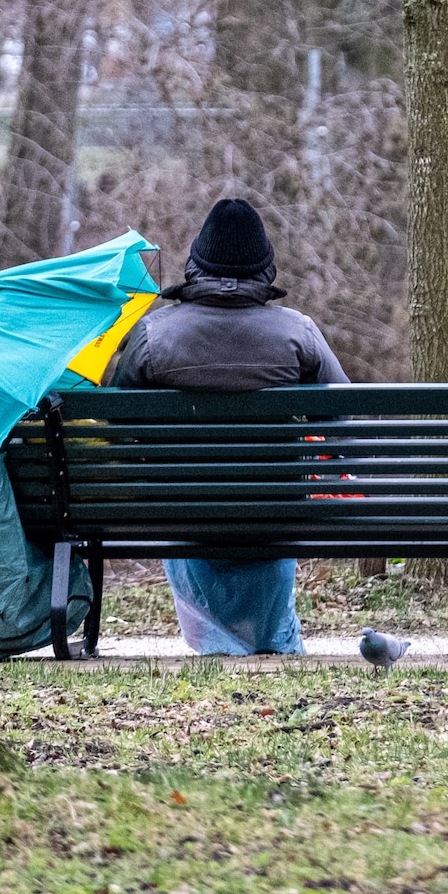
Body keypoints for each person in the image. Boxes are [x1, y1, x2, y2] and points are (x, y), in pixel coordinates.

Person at [106, 198, 346, 654]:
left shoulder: (153, 336)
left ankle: (218, 644)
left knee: (184, 502)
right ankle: (273, 643)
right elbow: (343, 415)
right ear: (265, 269)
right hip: (274, 512)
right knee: (277, 497)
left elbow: (118, 423)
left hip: (180, 513)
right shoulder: (297, 333)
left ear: (196, 263)